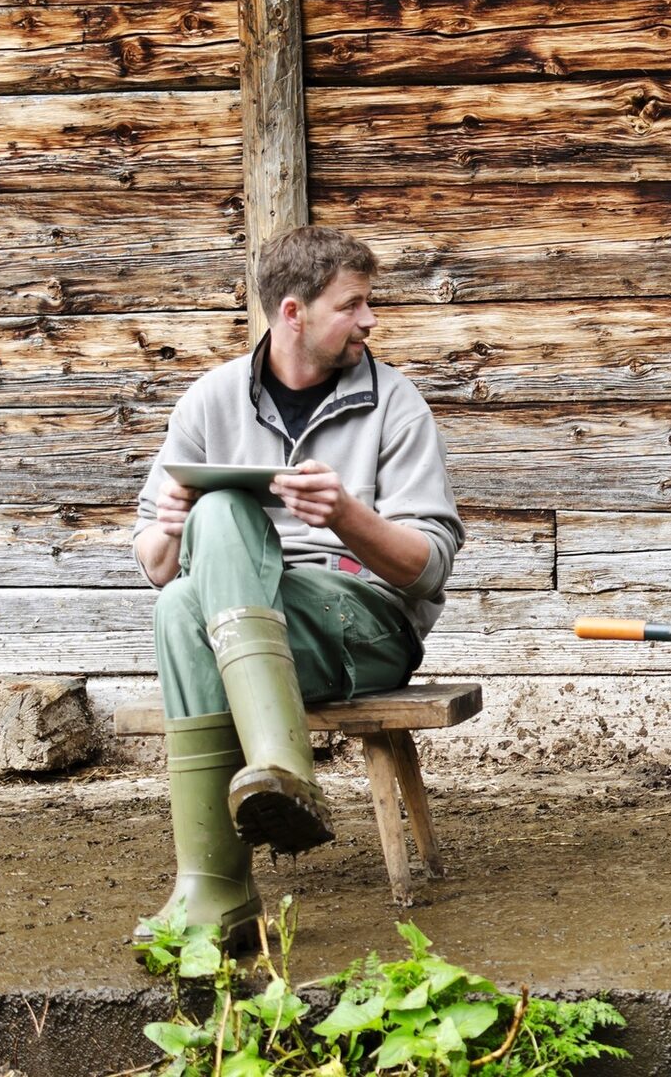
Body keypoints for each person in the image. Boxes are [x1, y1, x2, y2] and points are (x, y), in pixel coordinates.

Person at [130, 226, 466, 946]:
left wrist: (347, 516)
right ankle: (225, 873)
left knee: (195, 588)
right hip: (243, 622)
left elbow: (428, 566)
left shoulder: (394, 404)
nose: (369, 321)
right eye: (353, 305)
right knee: (182, 593)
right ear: (293, 313)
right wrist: (168, 523)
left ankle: (227, 866)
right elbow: (156, 563)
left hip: (364, 622)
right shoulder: (209, 400)